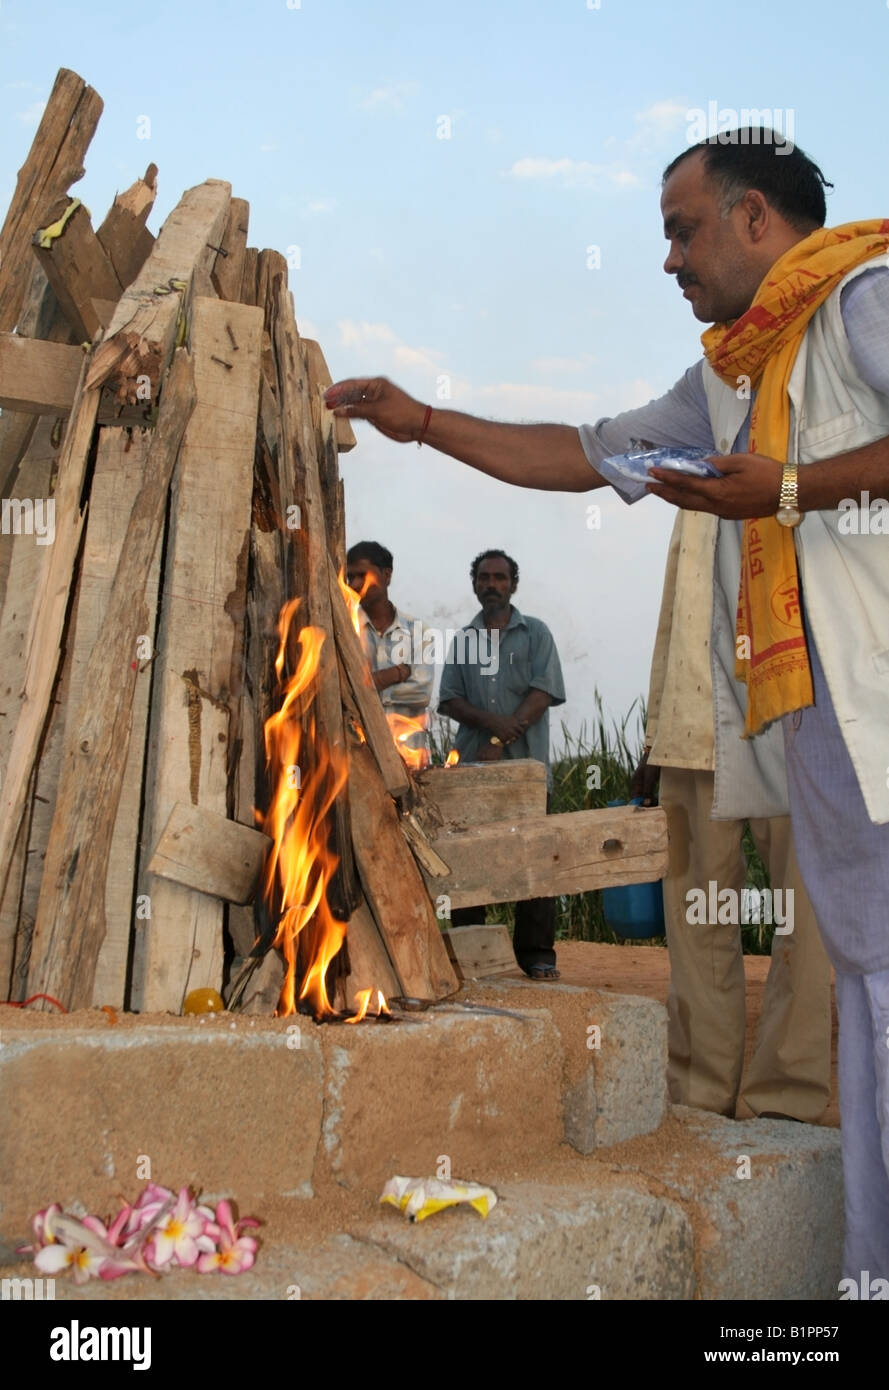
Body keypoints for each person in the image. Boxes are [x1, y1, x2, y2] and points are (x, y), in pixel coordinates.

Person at [326, 130, 889, 1287]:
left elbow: (806, 489)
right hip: (825, 720)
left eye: (682, 231)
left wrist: (788, 488)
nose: (669, 261)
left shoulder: (858, 303)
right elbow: (581, 454)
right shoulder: (728, 376)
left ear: (751, 218)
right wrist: (423, 420)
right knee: (871, 990)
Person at [631, 510, 832, 1122]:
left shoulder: (808, 452)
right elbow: (676, 607)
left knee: (807, 922)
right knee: (697, 919)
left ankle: (787, 1100)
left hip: (799, 723)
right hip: (695, 726)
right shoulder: (695, 460)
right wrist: (654, 736)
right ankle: (698, 1096)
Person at [438, 549, 566, 980]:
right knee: (469, 862)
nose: (492, 584)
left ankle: (536, 954)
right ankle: (472, 955)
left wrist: (500, 735)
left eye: (500, 577)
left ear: (513, 584)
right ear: (474, 584)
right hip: (473, 775)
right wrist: (493, 726)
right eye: (484, 577)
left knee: (536, 861)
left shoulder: (537, 635)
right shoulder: (463, 640)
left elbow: (544, 691)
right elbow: (450, 699)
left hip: (527, 772)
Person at [345, 541, 434, 767]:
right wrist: (392, 675)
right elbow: (342, 691)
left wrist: (366, 688)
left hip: (410, 756)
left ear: (386, 575)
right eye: (350, 577)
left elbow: (421, 692)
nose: (354, 584)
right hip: (360, 758)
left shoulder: (417, 631)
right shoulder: (344, 631)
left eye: (362, 576)